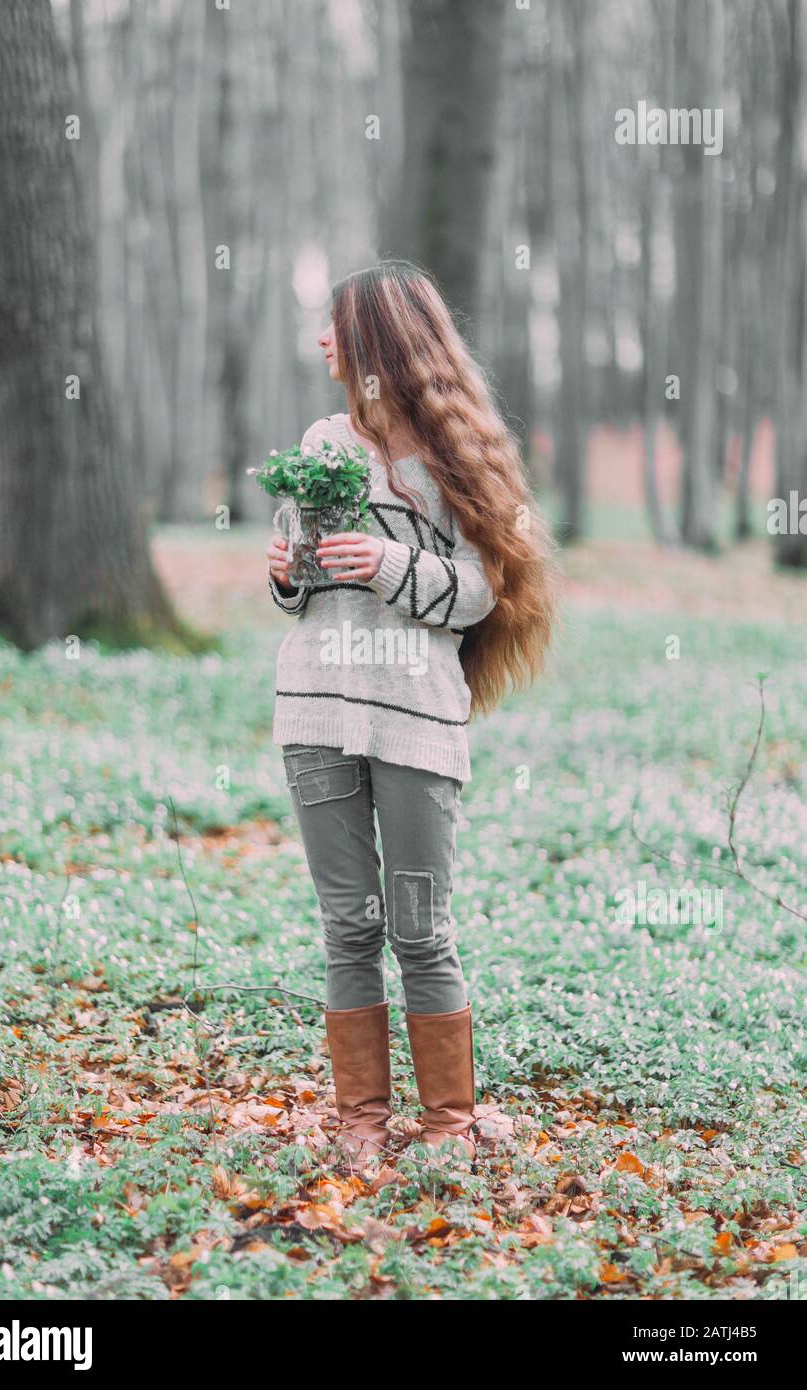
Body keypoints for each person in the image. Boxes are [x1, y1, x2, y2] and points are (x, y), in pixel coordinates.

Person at [267, 260, 556, 1163]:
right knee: (348, 923)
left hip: (417, 719)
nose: (323, 344)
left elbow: (481, 592)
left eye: (338, 329)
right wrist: (288, 573)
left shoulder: (452, 462)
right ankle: (360, 1123)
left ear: (381, 347)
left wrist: (385, 566)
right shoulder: (319, 444)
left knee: (421, 927)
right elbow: (296, 575)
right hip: (315, 712)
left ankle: (450, 1124)